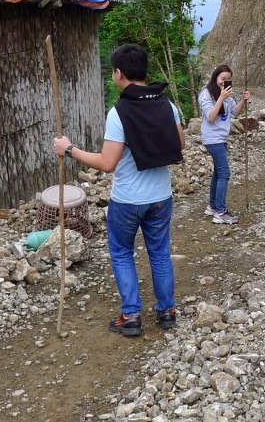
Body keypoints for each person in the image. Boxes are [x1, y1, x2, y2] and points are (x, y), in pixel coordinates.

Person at [52, 43, 184, 337]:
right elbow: (181, 144)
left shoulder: (119, 112)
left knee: (123, 252)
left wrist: (69, 149)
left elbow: (107, 163)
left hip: (128, 200)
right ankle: (166, 311)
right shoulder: (168, 105)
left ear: (119, 73)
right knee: (160, 253)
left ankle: (132, 315)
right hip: (161, 196)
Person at [199, 64, 250, 224]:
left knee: (218, 173)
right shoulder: (206, 93)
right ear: (215, 77)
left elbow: (235, 112)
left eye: (228, 79)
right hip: (212, 139)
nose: (225, 82)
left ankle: (212, 206)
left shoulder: (227, 94)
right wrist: (221, 97)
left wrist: (243, 100)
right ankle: (220, 212)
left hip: (221, 138)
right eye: (223, 79)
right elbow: (211, 117)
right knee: (225, 173)